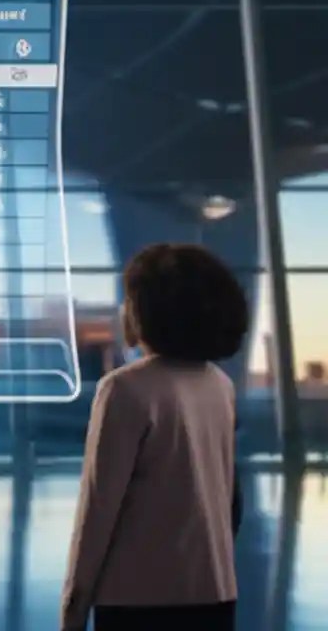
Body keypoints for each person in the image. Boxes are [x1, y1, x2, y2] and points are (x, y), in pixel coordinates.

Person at [61, 243, 248, 631]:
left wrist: (74, 606)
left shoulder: (125, 389)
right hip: (214, 595)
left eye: (129, 298)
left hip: (137, 601)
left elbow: (98, 511)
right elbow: (230, 504)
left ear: (145, 311)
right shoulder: (220, 384)